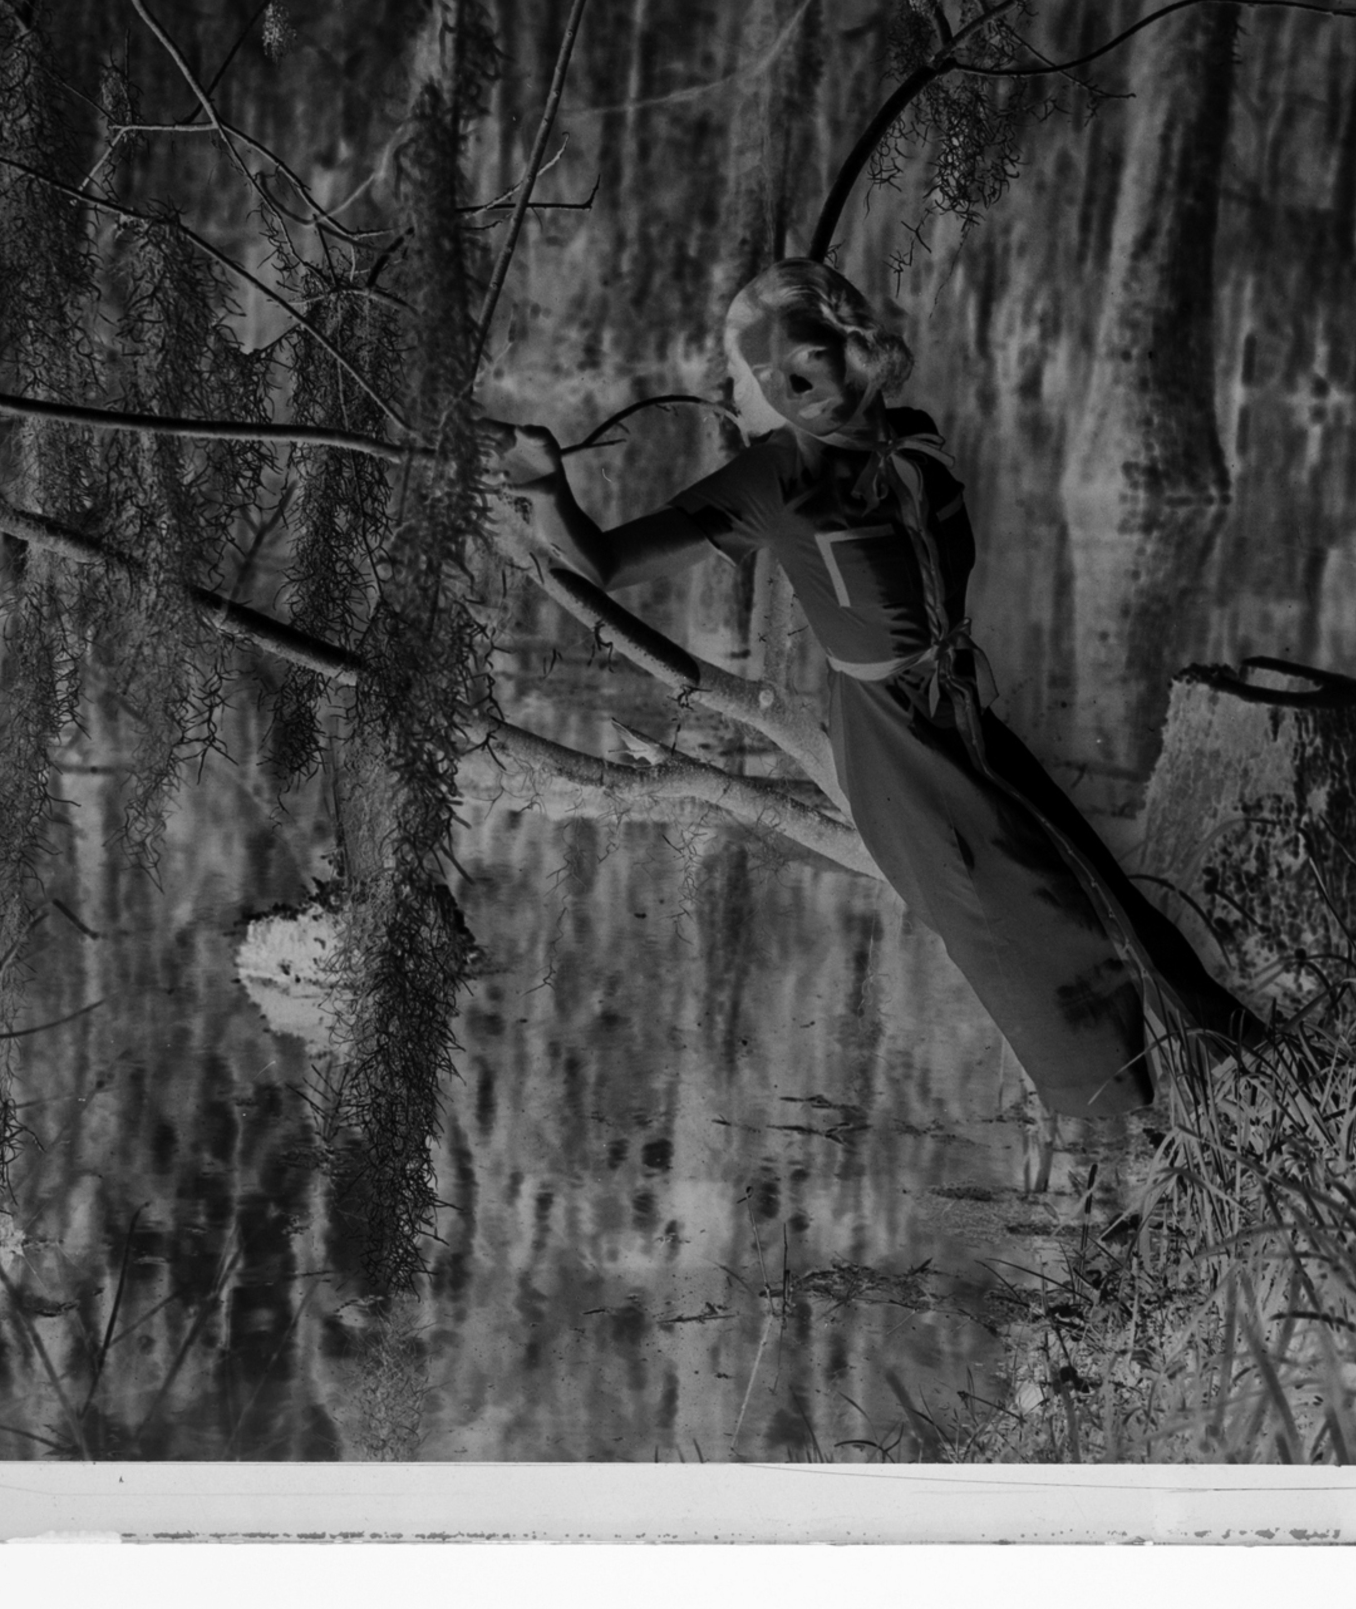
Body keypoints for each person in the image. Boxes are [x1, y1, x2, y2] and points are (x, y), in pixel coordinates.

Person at [495, 259, 1262, 1117]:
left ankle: (1135, 1122)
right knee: (1053, 900)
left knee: (1043, 911)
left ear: (785, 380)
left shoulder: (776, 473)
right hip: (948, 707)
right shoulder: (909, 437)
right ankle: (1174, 1096)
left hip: (904, 739)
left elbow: (602, 561)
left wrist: (543, 488)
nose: (726, 387)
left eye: (738, 370)